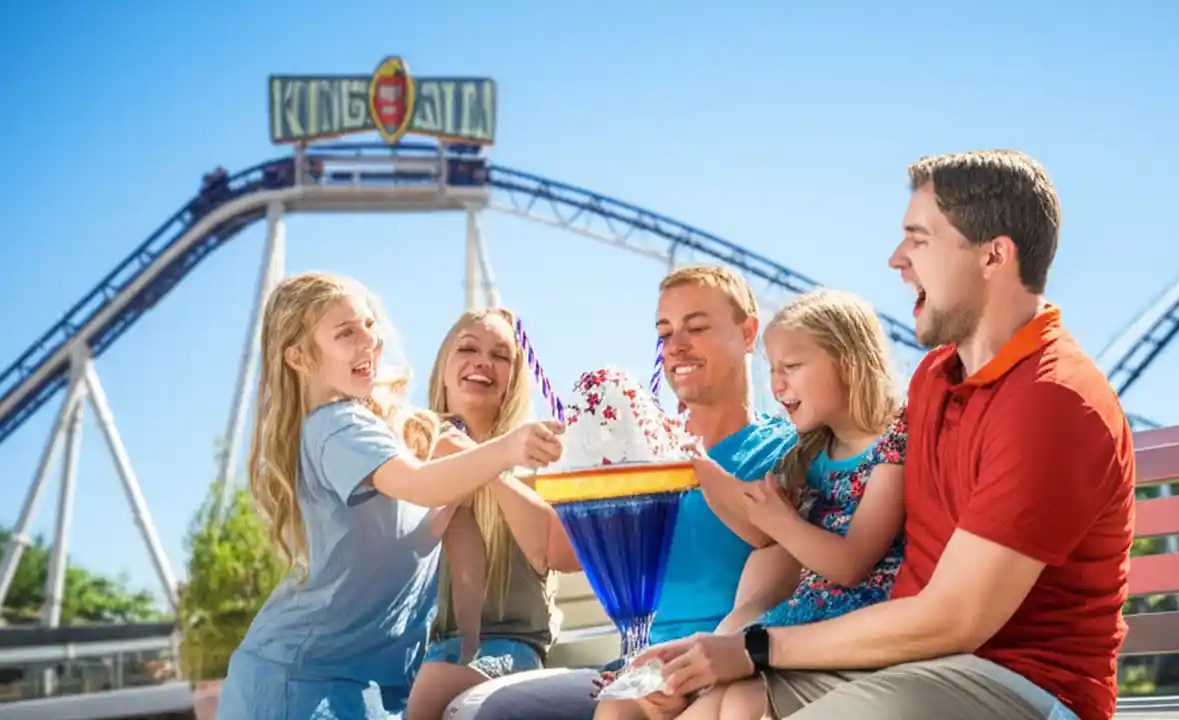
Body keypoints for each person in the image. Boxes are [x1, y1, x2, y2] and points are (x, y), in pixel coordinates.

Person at [633, 150, 1135, 720]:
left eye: (918, 240)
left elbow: (956, 618)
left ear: (994, 255)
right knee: (721, 705)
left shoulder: (1053, 401)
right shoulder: (935, 380)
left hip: (1014, 683)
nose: (896, 260)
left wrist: (753, 647)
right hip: (913, 665)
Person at [440, 265, 797, 720]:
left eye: (697, 327)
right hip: (639, 672)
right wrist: (487, 462)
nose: (676, 346)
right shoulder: (643, 454)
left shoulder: (783, 450)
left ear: (748, 333)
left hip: (735, 666)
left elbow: (781, 556)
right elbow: (560, 547)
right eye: (665, 333)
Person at [216, 272, 565, 719]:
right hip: (299, 682)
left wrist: (472, 642)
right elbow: (419, 483)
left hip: (365, 685)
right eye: (346, 332)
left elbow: (455, 538)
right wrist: (505, 449)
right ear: (300, 357)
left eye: (369, 325)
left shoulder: (393, 433)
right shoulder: (338, 425)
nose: (370, 341)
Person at [598, 288, 910, 720]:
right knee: (627, 706)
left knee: (742, 702)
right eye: (773, 370)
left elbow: (850, 563)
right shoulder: (810, 452)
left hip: (847, 625)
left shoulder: (891, 446)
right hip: (797, 615)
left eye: (792, 367)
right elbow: (757, 527)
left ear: (849, 363)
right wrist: (698, 467)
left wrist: (780, 522)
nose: (777, 384)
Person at [407, 308, 583, 719]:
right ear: (444, 368)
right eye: (467, 348)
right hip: (424, 650)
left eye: (501, 356)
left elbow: (560, 553)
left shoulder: (537, 461)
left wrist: (481, 460)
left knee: (431, 684)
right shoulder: (408, 464)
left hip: (508, 649)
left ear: (514, 379)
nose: (483, 361)